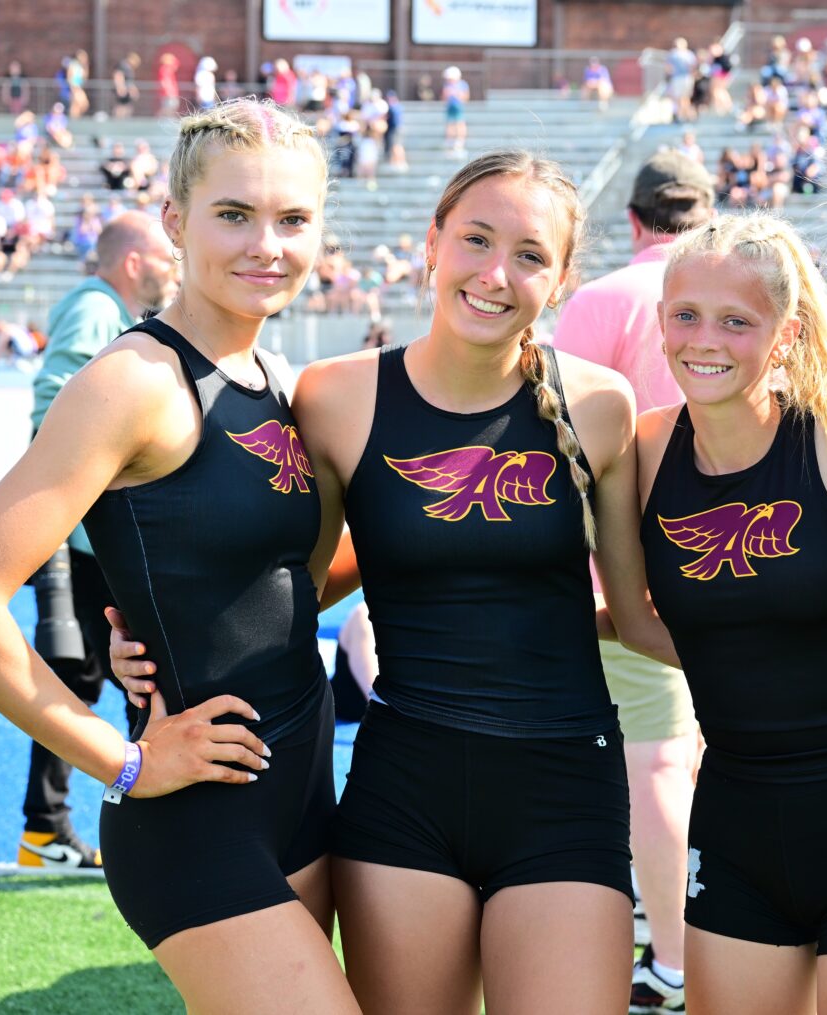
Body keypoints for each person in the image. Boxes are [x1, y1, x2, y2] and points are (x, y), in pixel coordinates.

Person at [109, 149, 671, 1012]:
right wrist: (157, 636)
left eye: (529, 255)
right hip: (406, 792)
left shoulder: (599, 405)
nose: (495, 273)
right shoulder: (336, 398)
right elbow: (295, 583)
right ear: (432, 244)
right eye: (476, 239)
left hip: (566, 787)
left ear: (560, 280)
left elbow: (633, 614)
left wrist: (820, 658)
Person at [0, 98, 358, 1011]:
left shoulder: (271, 378)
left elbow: (288, 587)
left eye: (293, 219)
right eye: (233, 214)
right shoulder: (133, 383)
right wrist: (121, 760)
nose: (266, 245)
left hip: (301, 788)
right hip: (195, 819)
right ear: (175, 223)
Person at [638, 211, 827, 1014]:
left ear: (787, 335)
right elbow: (638, 618)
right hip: (732, 823)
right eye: (686, 315)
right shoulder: (642, 451)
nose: (704, 339)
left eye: (736, 321)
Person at [551, 149, 715, 1013]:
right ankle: (691, 938)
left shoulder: (605, 298)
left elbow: (556, 436)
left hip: (624, 573)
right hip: (733, 558)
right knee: (690, 756)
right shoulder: (731, 292)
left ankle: (679, 960)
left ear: (634, 218)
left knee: (654, 761)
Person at [9, 212, 182, 869]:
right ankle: (99, 827)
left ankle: (49, 830)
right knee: (135, 677)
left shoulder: (109, 312)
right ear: (133, 261)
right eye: (163, 257)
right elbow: (54, 403)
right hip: (88, 544)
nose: (172, 269)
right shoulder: (95, 307)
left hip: (86, 540)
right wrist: (60, 523)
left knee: (89, 679)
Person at [443, 66, 470, 156]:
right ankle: (450, 143)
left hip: (458, 107)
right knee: (450, 125)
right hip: (450, 107)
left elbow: (465, 97)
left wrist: (457, 94)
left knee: (459, 124)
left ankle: (459, 143)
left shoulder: (462, 84)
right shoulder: (447, 85)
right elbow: (444, 97)